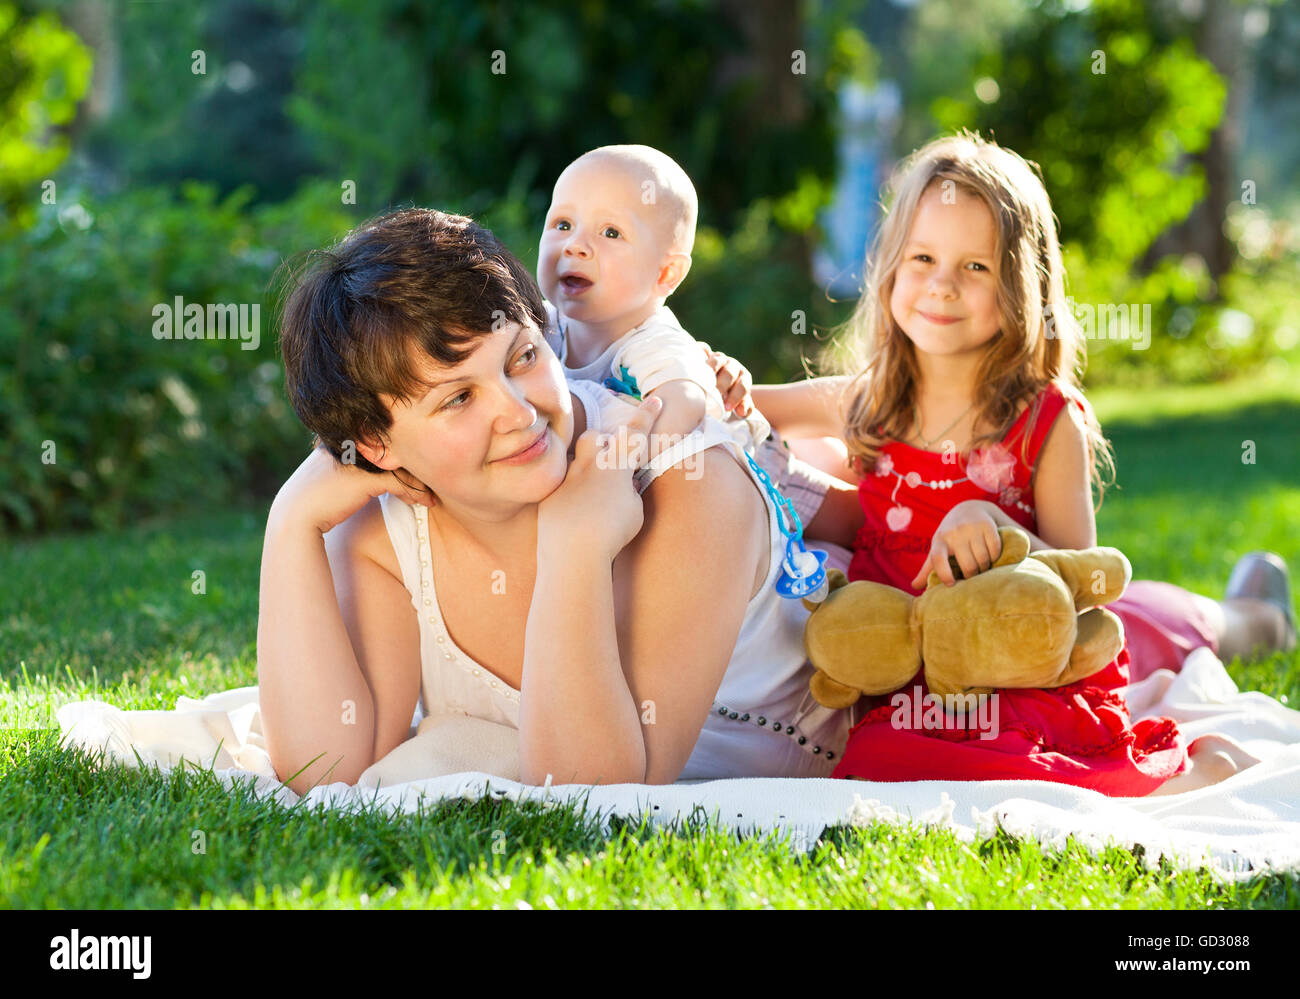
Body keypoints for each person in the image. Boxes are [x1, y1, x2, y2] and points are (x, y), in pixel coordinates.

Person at [732, 133, 1295, 795]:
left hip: (1024, 671)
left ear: (1022, 285)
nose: (942, 284)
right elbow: (740, 400)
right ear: (888, 267)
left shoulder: (1045, 422)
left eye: (975, 267)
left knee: (1068, 725)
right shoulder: (870, 402)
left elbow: (1086, 582)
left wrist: (997, 529)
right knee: (884, 760)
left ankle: (1242, 666)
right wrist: (711, 372)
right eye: (922, 257)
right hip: (919, 683)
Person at [259, 207, 850, 798]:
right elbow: (327, 772)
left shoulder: (691, 483)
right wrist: (291, 524)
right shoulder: (384, 511)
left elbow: (591, 795)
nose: (519, 413)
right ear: (376, 444)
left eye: (523, 357)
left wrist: (576, 552)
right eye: (459, 398)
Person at [539, 143, 839, 526]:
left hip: (758, 471)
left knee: (850, 522)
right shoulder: (542, 326)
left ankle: (906, 505)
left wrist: (615, 463)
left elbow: (683, 405)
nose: (575, 245)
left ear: (666, 275)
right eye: (563, 224)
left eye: (611, 232)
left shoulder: (653, 342)